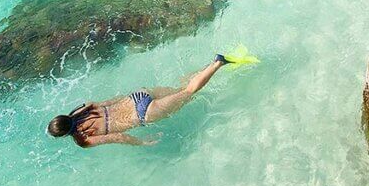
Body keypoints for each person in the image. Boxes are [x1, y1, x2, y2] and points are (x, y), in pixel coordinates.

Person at [48, 48, 258, 148]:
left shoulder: (83, 139)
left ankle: (217, 63)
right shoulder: (80, 110)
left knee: (188, 93)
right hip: (136, 96)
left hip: (142, 114)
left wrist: (141, 143)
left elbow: (118, 137)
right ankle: (209, 66)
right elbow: (107, 102)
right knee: (181, 87)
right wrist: (129, 98)